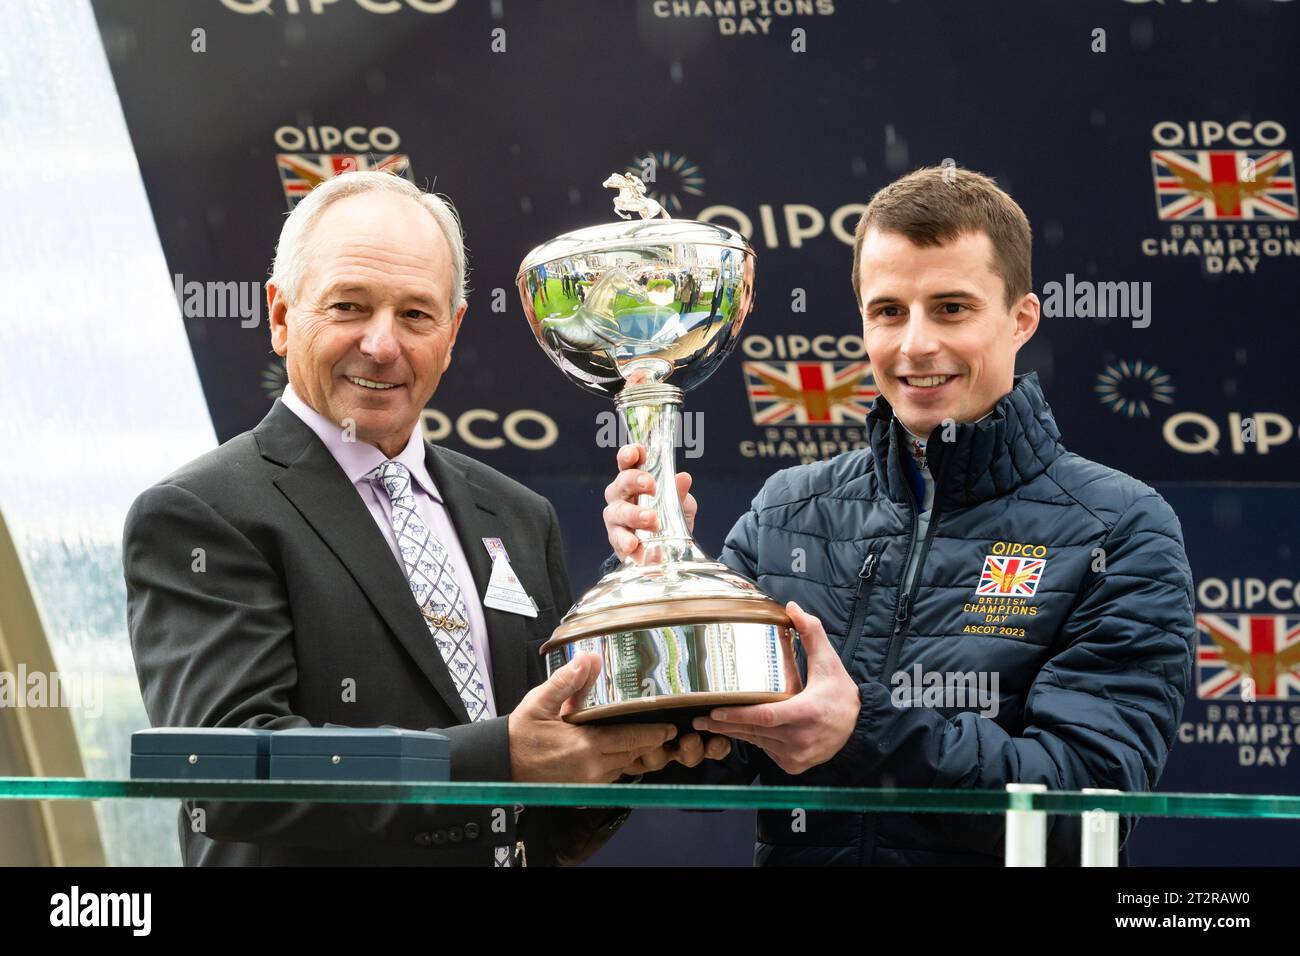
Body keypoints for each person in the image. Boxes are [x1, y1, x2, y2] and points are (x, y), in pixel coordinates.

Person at [124, 171, 724, 867]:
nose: (382, 345)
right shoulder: (202, 514)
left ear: (452, 331)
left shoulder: (518, 516)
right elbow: (226, 773)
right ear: (282, 317)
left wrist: (629, 737)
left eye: (415, 314)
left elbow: (555, 802)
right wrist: (498, 760)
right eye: (349, 306)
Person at [602, 166, 1196, 866]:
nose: (915, 344)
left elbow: (1083, 812)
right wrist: (650, 592)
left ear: (1021, 319)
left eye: (950, 308)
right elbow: (695, 759)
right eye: (889, 311)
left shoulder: (1121, 530)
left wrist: (861, 731)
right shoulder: (786, 511)